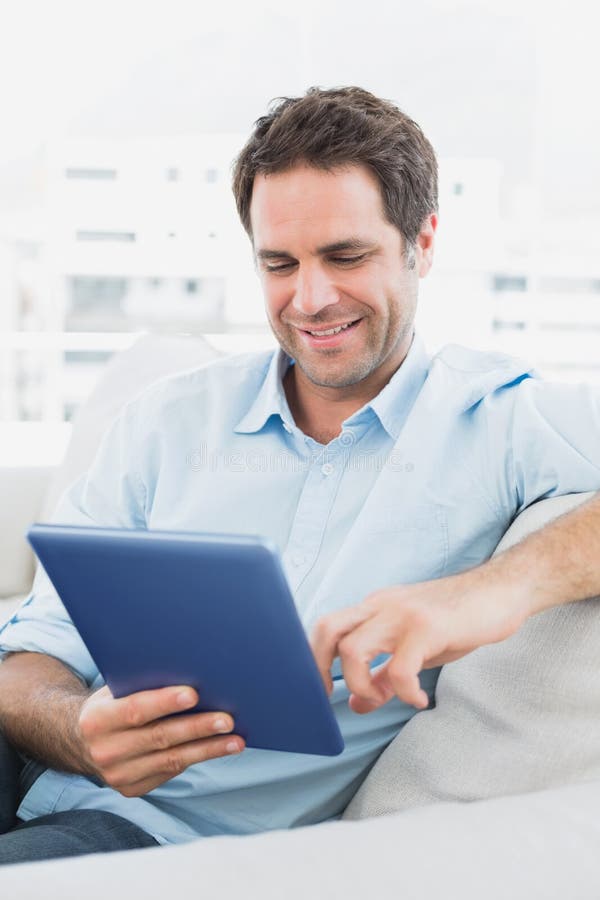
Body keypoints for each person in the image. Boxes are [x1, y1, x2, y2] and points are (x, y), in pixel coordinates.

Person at [1, 85, 599, 865]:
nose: (310, 300)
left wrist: (486, 593)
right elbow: (29, 662)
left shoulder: (500, 417)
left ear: (423, 242)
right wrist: (76, 730)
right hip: (40, 762)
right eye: (279, 264)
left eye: (346, 257)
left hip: (146, 833)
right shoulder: (165, 421)